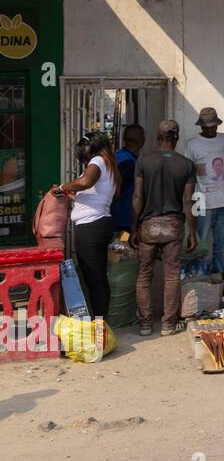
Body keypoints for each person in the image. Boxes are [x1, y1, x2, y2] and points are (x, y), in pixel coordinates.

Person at [131, 120, 197, 336]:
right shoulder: (186, 165)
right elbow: (188, 202)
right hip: (173, 226)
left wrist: (134, 228)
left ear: (157, 137)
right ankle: (168, 324)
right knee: (171, 276)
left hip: (148, 226)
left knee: (144, 275)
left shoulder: (144, 160)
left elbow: (138, 196)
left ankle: (145, 324)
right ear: (176, 138)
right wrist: (193, 232)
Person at [54, 133, 120, 319]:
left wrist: (62, 187)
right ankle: (99, 321)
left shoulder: (98, 160)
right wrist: (70, 196)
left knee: (94, 279)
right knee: (96, 277)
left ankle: (99, 324)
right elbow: (91, 196)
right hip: (100, 223)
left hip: (91, 227)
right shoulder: (108, 164)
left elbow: (85, 182)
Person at [185, 107, 224, 277]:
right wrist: (189, 201)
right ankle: (199, 277)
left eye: (212, 126)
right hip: (200, 200)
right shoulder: (192, 144)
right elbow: (189, 175)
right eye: (205, 126)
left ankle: (219, 276)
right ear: (200, 126)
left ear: (217, 125)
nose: (209, 129)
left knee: (222, 242)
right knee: (199, 242)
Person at [111, 124, 145, 232]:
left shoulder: (116, 156)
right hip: (124, 218)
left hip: (114, 216)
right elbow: (117, 188)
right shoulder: (129, 162)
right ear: (142, 141)